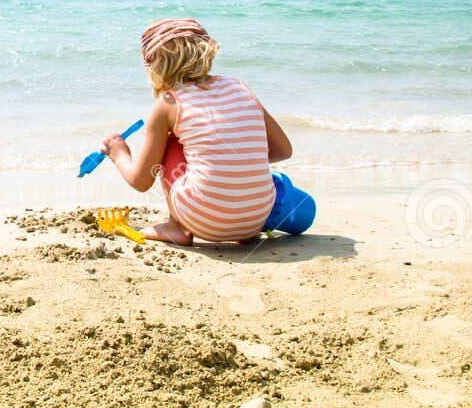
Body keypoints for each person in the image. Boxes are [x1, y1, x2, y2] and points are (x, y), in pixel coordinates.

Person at [101, 17, 314, 244]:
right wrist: (236, 163)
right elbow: (284, 150)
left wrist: (118, 152)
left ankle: (177, 227)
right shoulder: (239, 88)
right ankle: (238, 218)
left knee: (172, 141)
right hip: (256, 219)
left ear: (154, 66)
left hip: (204, 222)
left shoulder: (168, 103)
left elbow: (141, 181)